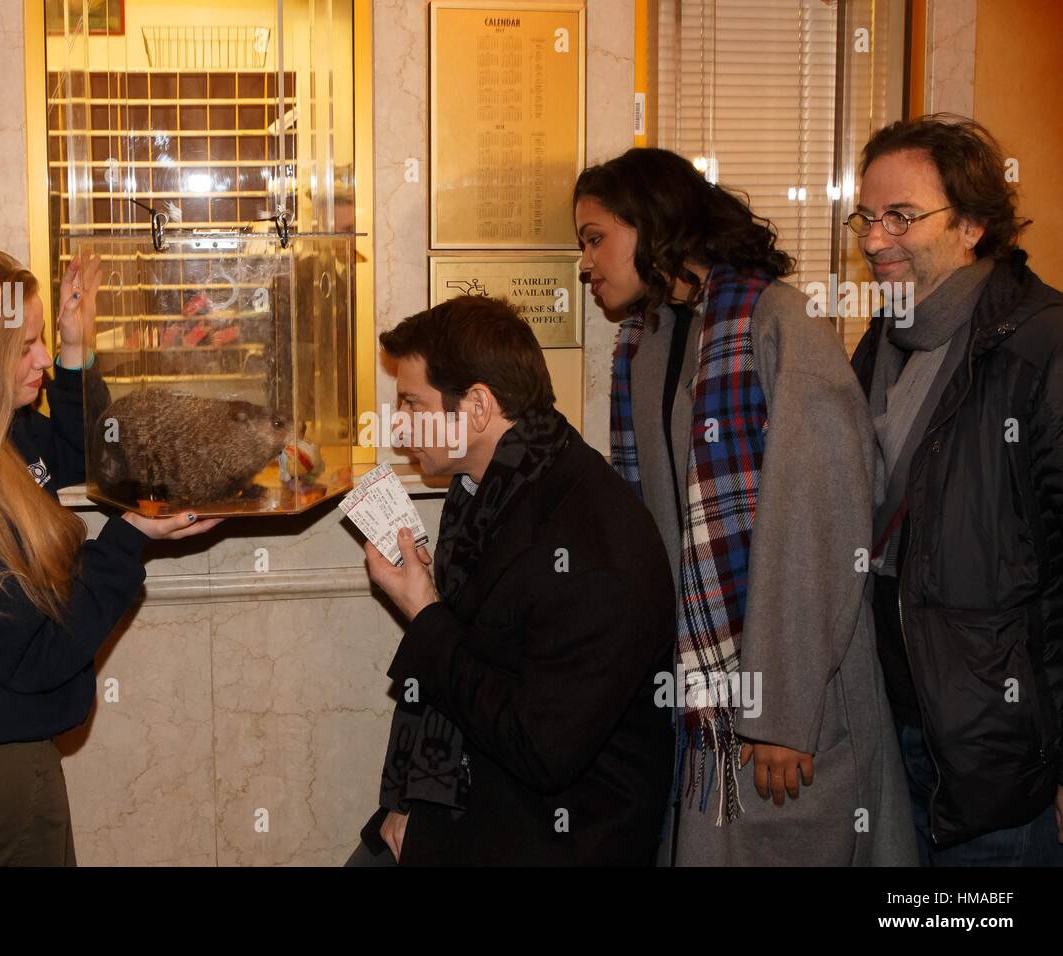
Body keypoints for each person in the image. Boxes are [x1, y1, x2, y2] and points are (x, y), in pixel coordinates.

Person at [575, 147, 916, 865]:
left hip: (794, 701)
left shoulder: (778, 323)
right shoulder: (650, 340)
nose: (586, 261)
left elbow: (820, 527)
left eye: (594, 236)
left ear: (649, 224)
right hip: (704, 701)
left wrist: (783, 715)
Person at [0, 245, 222, 866]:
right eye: (25, 347)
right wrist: (129, 539)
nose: (42, 361)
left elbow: (87, 457)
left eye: (43, 341)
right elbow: (40, 652)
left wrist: (76, 348)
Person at [348, 295, 676, 865]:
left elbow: (541, 747)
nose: (398, 425)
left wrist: (425, 612)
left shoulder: (592, 541)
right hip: (472, 809)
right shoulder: (489, 493)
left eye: (412, 403)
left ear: (476, 406)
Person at [847, 114, 1063, 865]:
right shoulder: (885, 337)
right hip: (889, 725)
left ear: (972, 224)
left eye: (901, 217)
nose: (874, 241)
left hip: (991, 750)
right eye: (866, 219)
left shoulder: (1041, 345)